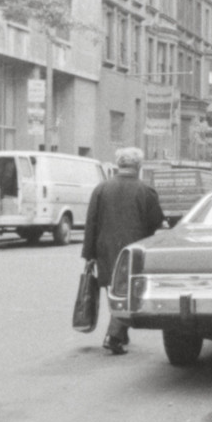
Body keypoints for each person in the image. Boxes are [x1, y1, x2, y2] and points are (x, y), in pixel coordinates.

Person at [82, 147, 165, 353]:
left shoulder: (101, 189)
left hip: (105, 249)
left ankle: (120, 332)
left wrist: (89, 255)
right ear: (138, 166)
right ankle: (114, 336)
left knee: (115, 289)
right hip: (133, 248)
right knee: (127, 291)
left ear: (119, 165)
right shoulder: (145, 191)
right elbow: (156, 221)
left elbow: (91, 223)